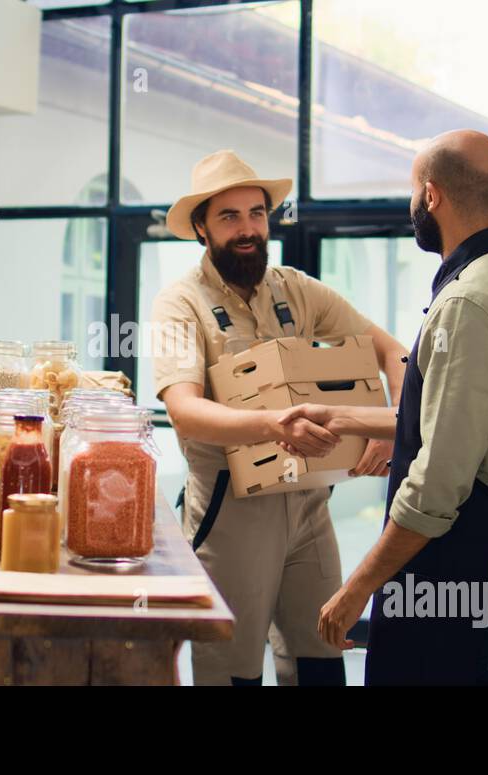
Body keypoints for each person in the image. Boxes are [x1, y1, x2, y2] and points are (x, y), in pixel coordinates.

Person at [283, 130, 488, 685]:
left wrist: (355, 588)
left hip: (457, 573)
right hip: (486, 570)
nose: (411, 203)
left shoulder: (467, 304)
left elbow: (439, 482)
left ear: (431, 196)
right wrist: (340, 417)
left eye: (413, 190)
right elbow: (461, 425)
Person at [151, 150, 407, 686]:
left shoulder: (296, 289)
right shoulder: (179, 305)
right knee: (233, 672)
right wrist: (275, 426)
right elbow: (184, 411)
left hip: (310, 505)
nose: (247, 230)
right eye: (229, 217)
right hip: (229, 510)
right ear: (201, 227)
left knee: (321, 658)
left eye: (256, 214)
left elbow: (394, 352)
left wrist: (392, 426)